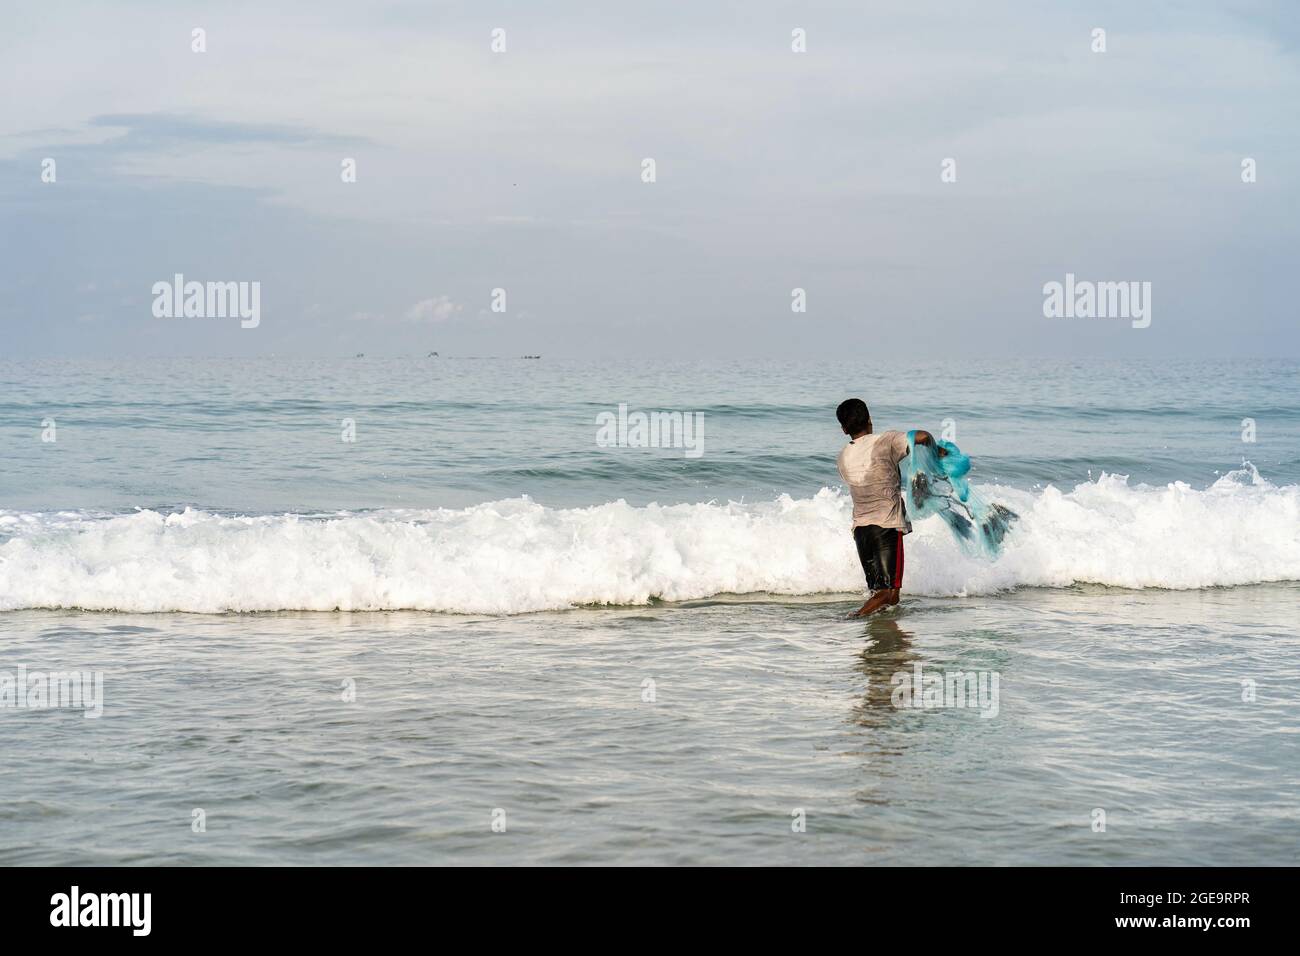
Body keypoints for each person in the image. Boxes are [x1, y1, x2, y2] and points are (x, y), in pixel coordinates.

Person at [835, 398, 941, 618]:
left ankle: (883, 641)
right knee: (885, 593)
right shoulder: (887, 441)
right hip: (886, 527)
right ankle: (852, 618)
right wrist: (935, 453)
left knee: (888, 594)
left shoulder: (843, 456)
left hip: (861, 531)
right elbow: (921, 436)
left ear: (844, 429)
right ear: (870, 419)